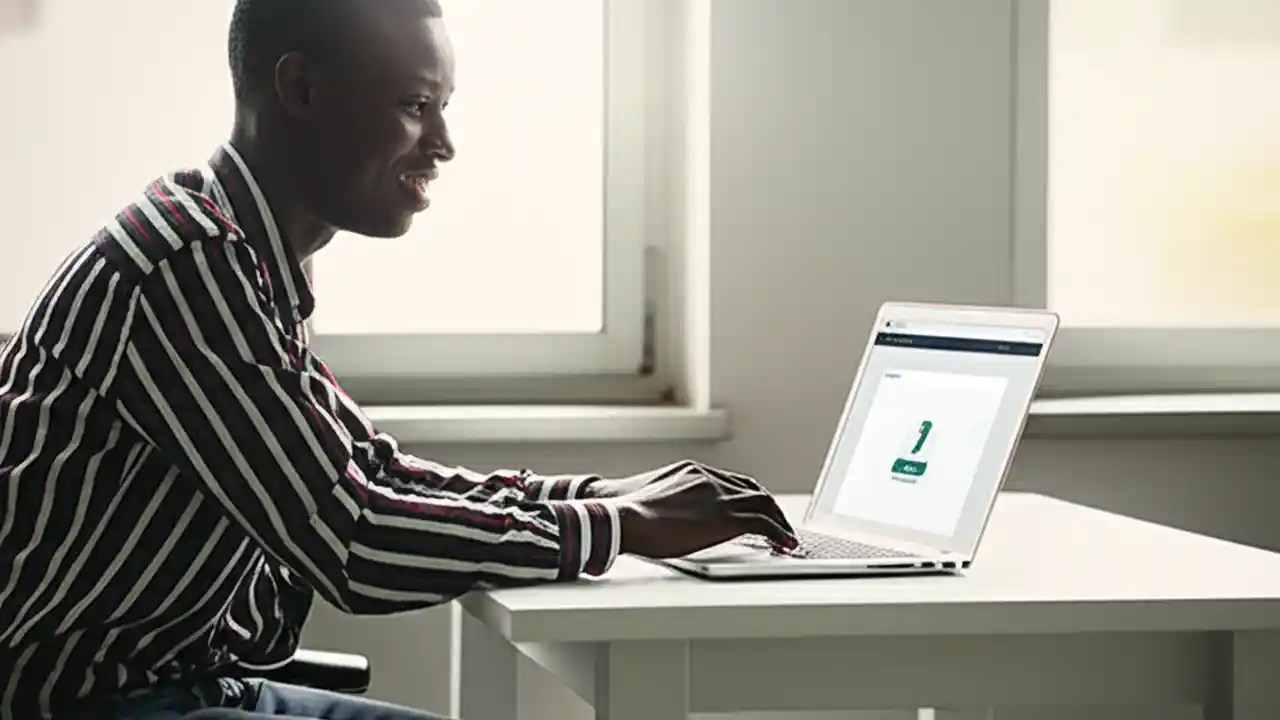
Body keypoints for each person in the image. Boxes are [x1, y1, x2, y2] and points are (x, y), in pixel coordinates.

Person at [0, 1, 798, 718]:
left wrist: (600, 495)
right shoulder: (189, 265)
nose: (444, 144)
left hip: (184, 682)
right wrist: (615, 526)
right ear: (302, 90)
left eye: (442, 109)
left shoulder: (243, 252)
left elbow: (367, 471)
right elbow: (353, 537)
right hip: (86, 701)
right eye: (417, 107)